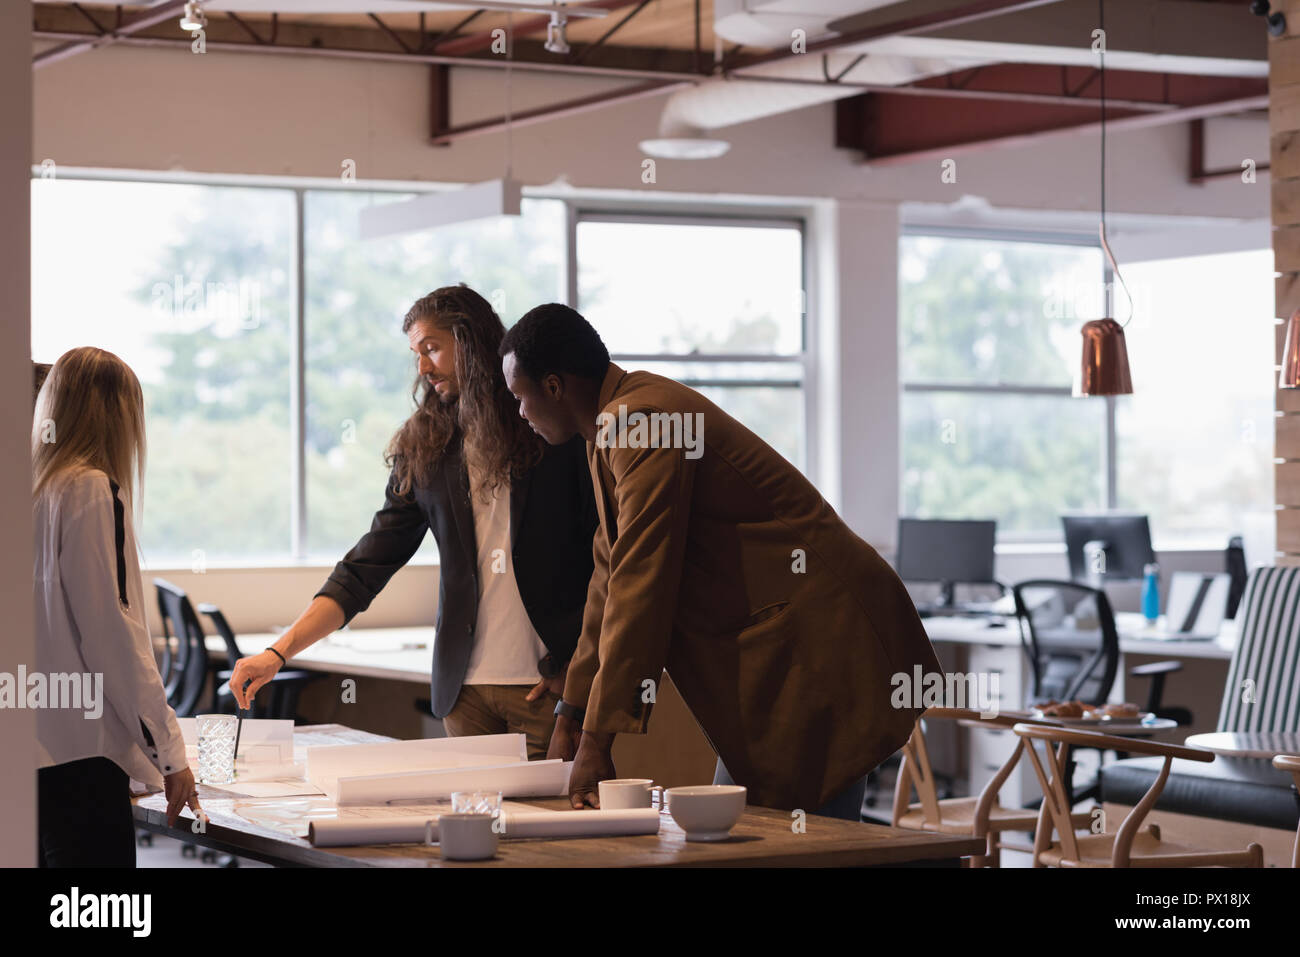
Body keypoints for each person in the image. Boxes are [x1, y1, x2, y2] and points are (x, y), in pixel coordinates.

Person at [500, 304, 942, 819]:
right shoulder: (612, 427)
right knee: (765, 828)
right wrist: (570, 713)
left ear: (554, 387)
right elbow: (609, 577)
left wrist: (597, 740)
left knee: (801, 840)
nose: (521, 414)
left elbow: (641, 584)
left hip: (822, 638)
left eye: (519, 398)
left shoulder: (640, 422)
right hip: (790, 644)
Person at [232, 285, 597, 759]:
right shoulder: (426, 445)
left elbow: (604, 555)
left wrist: (580, 664)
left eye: (431, 348)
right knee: (476, 832)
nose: (422, 367)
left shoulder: (548, 425)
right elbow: (367, 565)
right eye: (416, 354)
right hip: (464, 694)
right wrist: (277, 653)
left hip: (547, 690)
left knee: (561, 832)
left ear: (469, 341)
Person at [33, 347, 201, 866]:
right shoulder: (91, 489)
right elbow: (114, 639)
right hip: (80, 758)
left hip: (32, 744)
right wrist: (169, 756)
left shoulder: (32, 491)